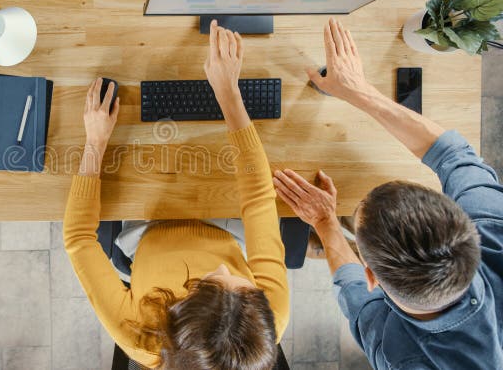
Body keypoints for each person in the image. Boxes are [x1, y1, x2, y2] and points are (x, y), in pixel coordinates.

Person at [273, 18, 503, 369]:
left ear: (372, 278)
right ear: (463, 218)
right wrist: (356, 89)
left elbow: (350, 288)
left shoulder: (398, 354)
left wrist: (324, 220)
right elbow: (452, 154)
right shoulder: (491, 221)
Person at [63, 20, 289, 369]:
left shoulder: (138, 336)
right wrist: (228, 93)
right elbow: (259, 199)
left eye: (208, 281)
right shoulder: (266, 318)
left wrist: (94, 142)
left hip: (148, 235)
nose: (222, 265)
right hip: (224, 226)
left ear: (177, 312)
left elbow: (78, 238)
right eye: (241, 280)